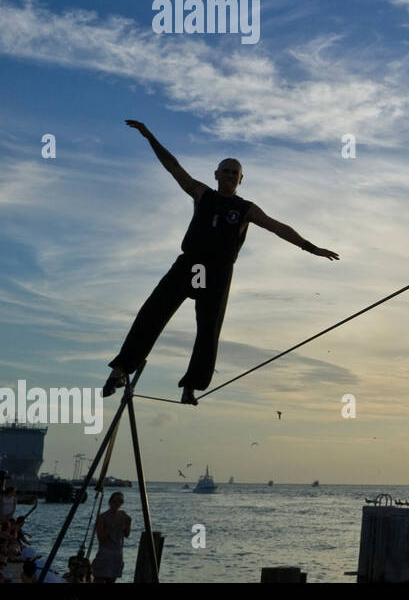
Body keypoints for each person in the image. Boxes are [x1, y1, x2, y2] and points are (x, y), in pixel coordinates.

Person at [104, 121, 339, 404]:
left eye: (234, 173)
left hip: (217, 271)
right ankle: (120, 369)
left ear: (241, 179)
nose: (229, 176)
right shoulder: (202, 193)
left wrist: (311, 248)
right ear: (216, 174)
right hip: (190, 263)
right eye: (225, 171)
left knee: (208, 329)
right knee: (152, 313)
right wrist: (149, 136)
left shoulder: (246, 209)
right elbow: (173, 167)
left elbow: (278, 227)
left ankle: (190, 386)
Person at [91, 492, 131, 583]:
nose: (117, 503)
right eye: (115, 501)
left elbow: (127, 534)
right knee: (99, 579)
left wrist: (128, 524)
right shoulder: (103, 517)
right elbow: (100, 538)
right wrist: (111, 526)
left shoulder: (123, 517)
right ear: (110, 502)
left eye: (120, 501)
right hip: (104, 555)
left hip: (117, 555)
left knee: (111, 580)